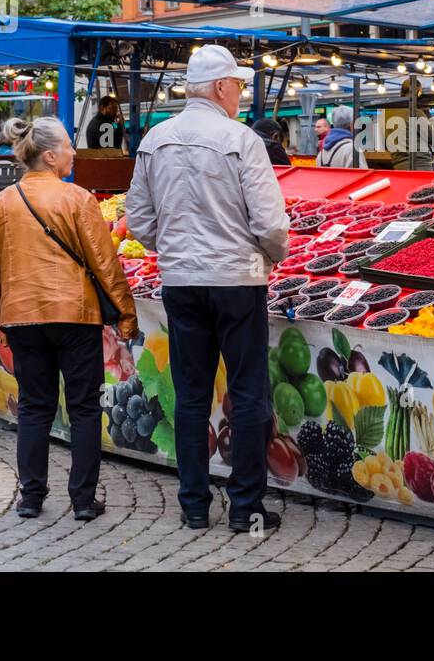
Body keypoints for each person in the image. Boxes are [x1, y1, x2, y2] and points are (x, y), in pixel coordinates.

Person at [125, 45, 290, 533]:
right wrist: (269, 255)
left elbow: (138, 219)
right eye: (237, 85)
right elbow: (270, 223)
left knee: (191, 395)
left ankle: (194, 504)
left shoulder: (155, 139)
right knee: (247, 391)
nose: (239, 94)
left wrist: (171, 247)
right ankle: (245, 506)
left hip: (181, 282)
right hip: (237, 281)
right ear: (221, 87)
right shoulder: (242, 140)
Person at [0, 116, 138, 521]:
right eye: (68, 146)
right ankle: (83, 500)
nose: (74, 152)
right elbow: (105, 265)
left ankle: (30, 497)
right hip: (75, 316)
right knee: (84, 407)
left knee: (34, 407)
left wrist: (1, 318)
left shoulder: (2, 202)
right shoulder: (78, 199)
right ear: (51, 157)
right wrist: (126, 315)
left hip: (22, 317)